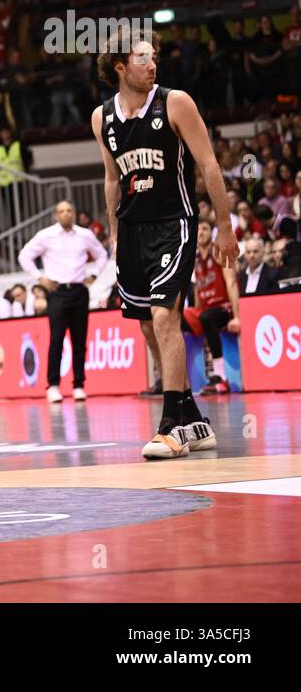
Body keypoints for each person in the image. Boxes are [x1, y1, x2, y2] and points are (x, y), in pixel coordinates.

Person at [93, 26, 236, 459]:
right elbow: (112, 177)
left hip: (175, 222)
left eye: (154, 56)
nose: (153, 63)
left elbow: (209, 164)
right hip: (132, 230)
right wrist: (115, 234)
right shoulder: (103, 118)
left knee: (163, 316)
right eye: (142, 58)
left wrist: (225, 225)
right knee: (146, 324)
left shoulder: (175, 102)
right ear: (120, 67)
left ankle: (171, 426)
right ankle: (194, 420)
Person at [17, 200, 109, 402]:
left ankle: (78, 385)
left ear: (74, 214)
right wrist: (40, 278)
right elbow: (24, 255)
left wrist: (93, 275)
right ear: (56, 215)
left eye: (69, 210)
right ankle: (53, 385)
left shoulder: (85, 235)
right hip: (57, 291)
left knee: (79, 340)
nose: (66, 214)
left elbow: (102, 255)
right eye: (62, 211)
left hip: (79, 290)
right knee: (56, 339)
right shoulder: (46, 235)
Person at [184, 220, 241, 395]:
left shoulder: (218, 252)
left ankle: (221, 377)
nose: (200, 232)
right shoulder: (195, 259)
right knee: (175, 319)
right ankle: (177, 381)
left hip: (223, 308)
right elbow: (199, 290)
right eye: (198, 228)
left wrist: (237, 315)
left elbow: (231, 282)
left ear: (212, 233)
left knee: (206, 317)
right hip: (205, 310)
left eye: (205, 228)